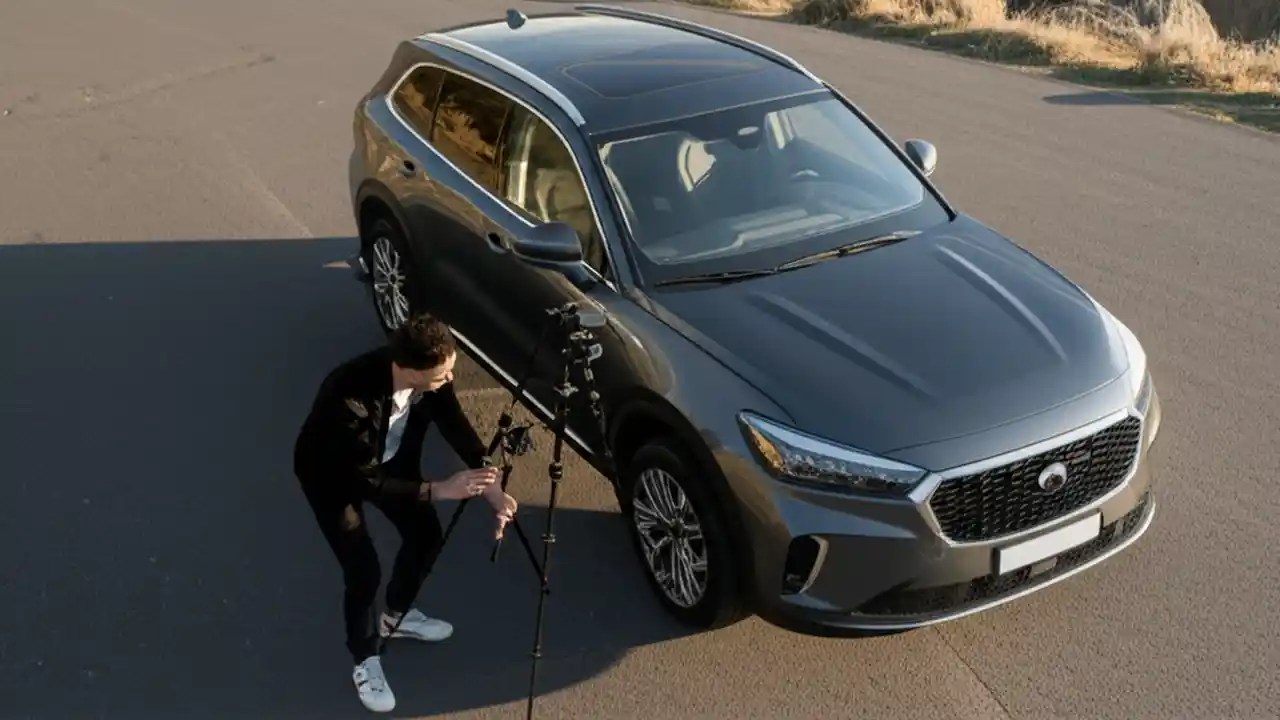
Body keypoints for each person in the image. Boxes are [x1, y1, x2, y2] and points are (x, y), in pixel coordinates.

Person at [293, 312, 517, 713]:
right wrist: (439, 489)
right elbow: (364, 481)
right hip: (334, 477)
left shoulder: (431, 377)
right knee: (363, 569)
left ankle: (395, 617)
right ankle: (365, 657)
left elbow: (455, 423)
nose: (449, 379)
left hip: (390, 460)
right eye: (442, 375)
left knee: (426, 535)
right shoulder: (347, 398)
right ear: (410, 370)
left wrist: (492, 488)